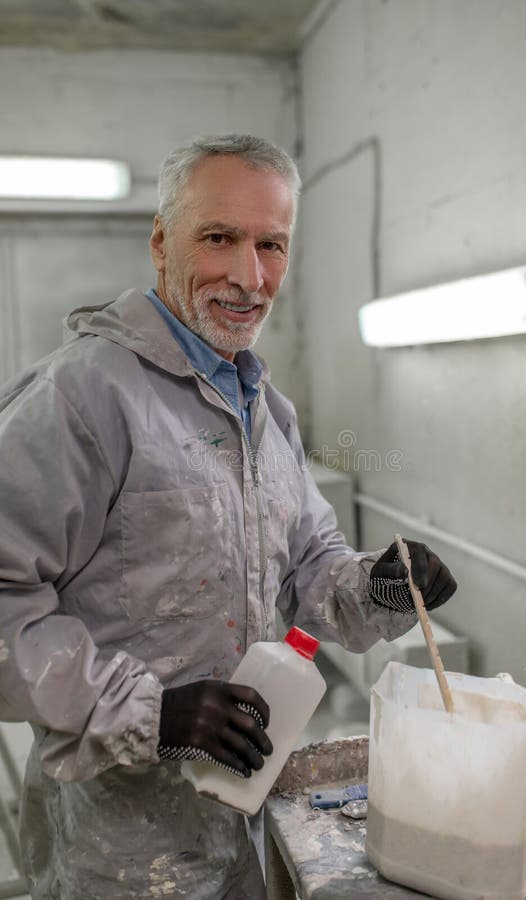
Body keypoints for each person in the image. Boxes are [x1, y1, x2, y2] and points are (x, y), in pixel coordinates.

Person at [0, 134, 457, 899]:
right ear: (160, 242)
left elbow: (309, 563)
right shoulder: (82, 397)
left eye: (271, 245)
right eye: (219, 238)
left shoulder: (260, 408)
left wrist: (378, 585)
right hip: (113, 853)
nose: (249, 277)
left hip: (243, 812)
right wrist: (152, 712)